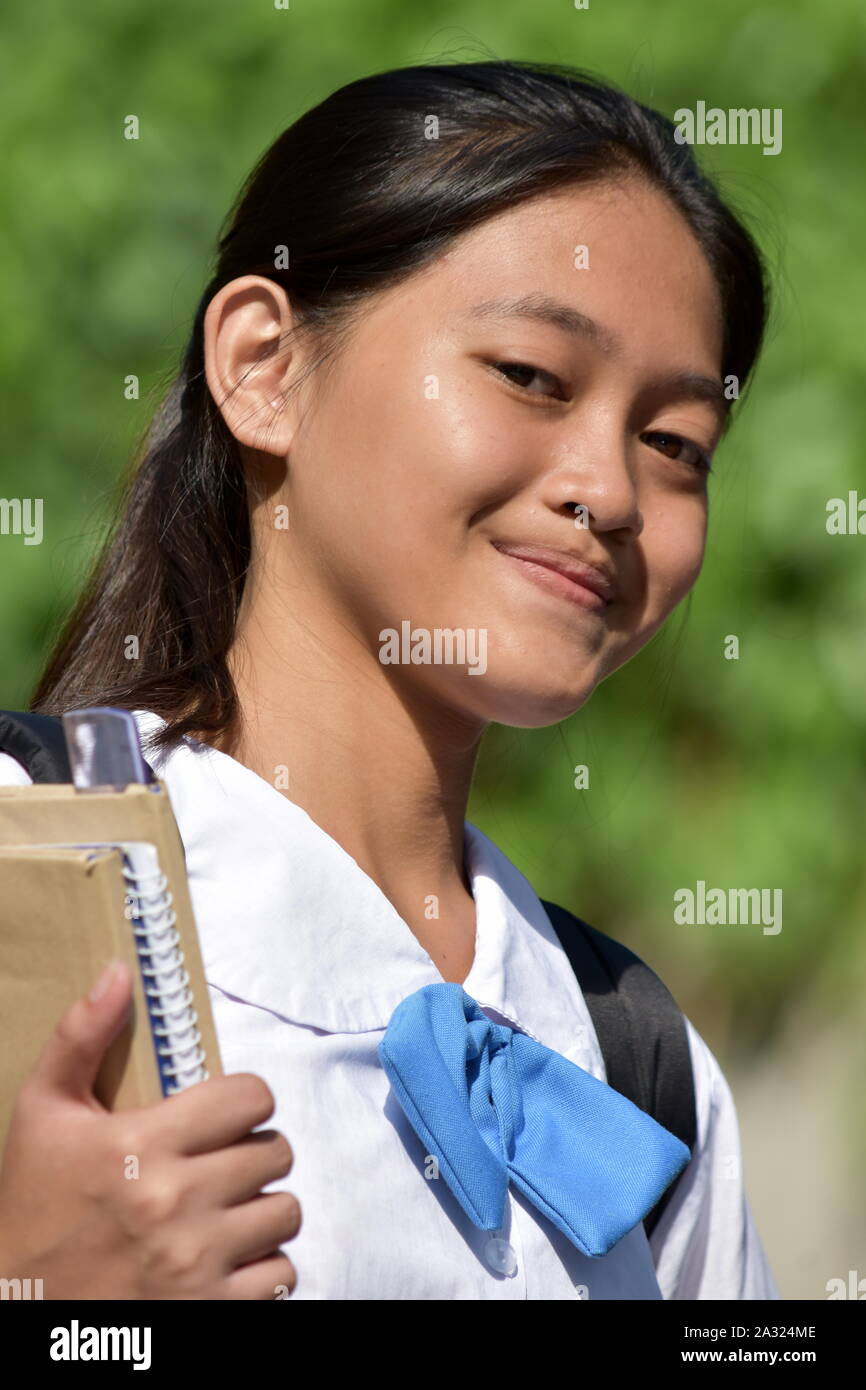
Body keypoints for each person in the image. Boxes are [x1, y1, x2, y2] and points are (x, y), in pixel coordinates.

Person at [0, 59, 779, 1300]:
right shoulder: (17, 862)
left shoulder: (639, 1063)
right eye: (530, 376)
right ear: (264, 364)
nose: (612, 492)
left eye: (674, 443)